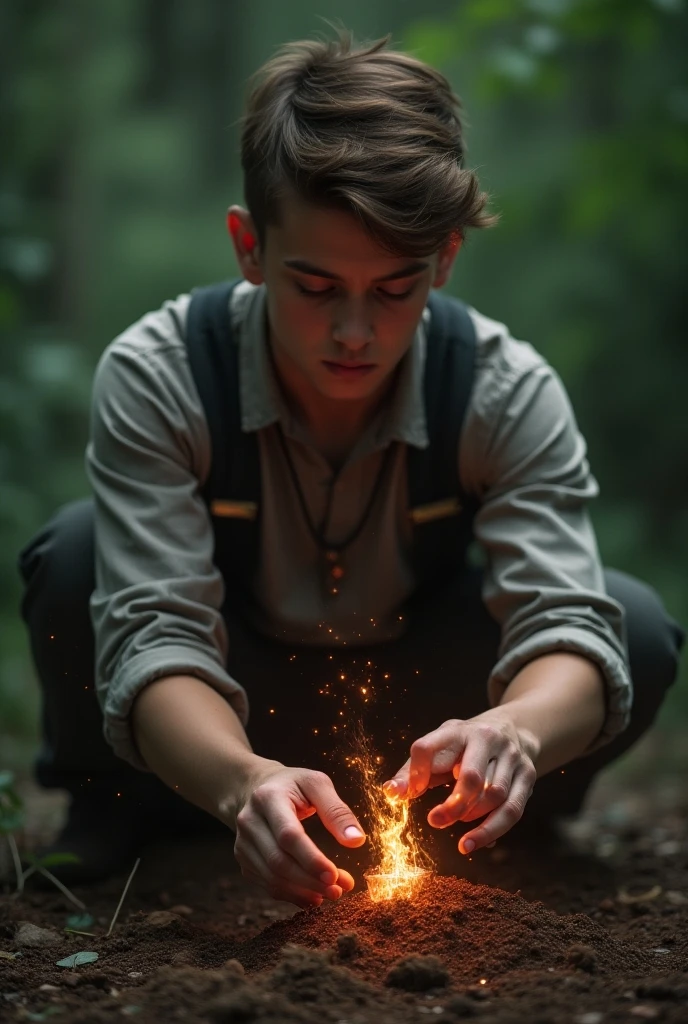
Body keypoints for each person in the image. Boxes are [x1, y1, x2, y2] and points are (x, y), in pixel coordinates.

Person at [17, 29, 683, 910]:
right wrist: (239, 778)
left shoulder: (501, 387)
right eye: (318, 286)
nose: (355, 333)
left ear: (445, 258)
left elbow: (566, 620)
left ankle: (487, 816)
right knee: (75, 554)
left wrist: (513, 731)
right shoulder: (161, 372)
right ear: (248, 247)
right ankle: (137, 809)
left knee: (631, 625)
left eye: (396, 289)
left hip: (419, 724)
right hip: (228, 703)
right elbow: (155, 634)